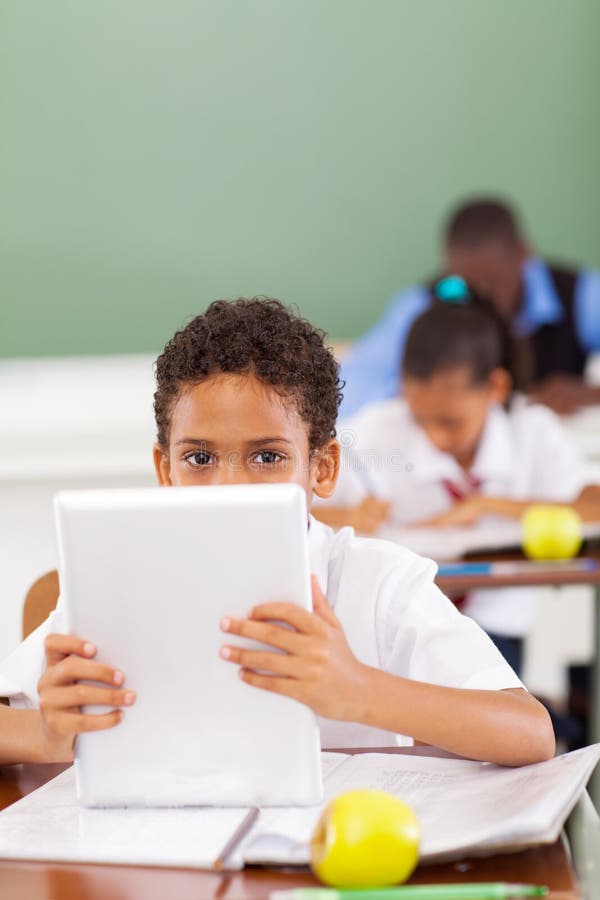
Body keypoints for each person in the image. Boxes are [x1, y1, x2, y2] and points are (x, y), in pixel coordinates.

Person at [0, 297, 554, 767]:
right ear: (165, 469)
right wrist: (47, 735)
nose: (229, 487)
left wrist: (359, 691)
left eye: (267, 456)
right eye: (199, 458)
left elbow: (530, 734)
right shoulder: (114, 585)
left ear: (324, 468)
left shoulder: (378, 583)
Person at [315, 278, 600, 675]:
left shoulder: (531, 430)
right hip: (401, 627)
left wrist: (481, 505)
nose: (434, 435)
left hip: (496, 631)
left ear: (496, 387)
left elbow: (593, 506)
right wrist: (350, 518)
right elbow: (290, 512)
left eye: (450, 422)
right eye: (421, 418)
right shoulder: (376, 432)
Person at [340, 197, 600, 417]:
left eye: (492, 283)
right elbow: (354, 385)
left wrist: (592, 393)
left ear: (523, 254)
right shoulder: (425, 306)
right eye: (464, 283)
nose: (479, 298)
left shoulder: (581, 294)